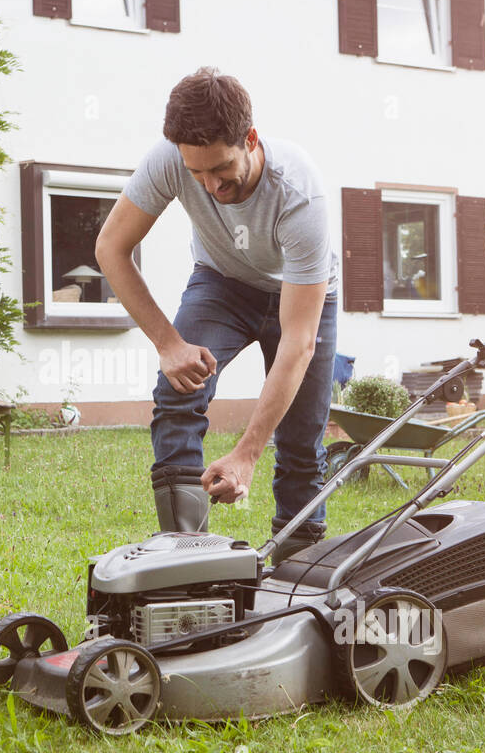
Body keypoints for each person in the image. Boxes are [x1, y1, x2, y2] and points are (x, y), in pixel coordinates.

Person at [94, 67, 339, 562]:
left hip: (303, 297)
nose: (209, 185)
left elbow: (299, 341)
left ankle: (299, 576)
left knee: (299, 442)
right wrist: (168, 344)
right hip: (222, 284)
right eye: (195, 172)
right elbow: (110, 248)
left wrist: (247, 453)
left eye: (221, 168)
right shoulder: (168, 160)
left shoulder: (298, 193)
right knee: (177, 391)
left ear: (249, 139)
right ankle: (188, 559)